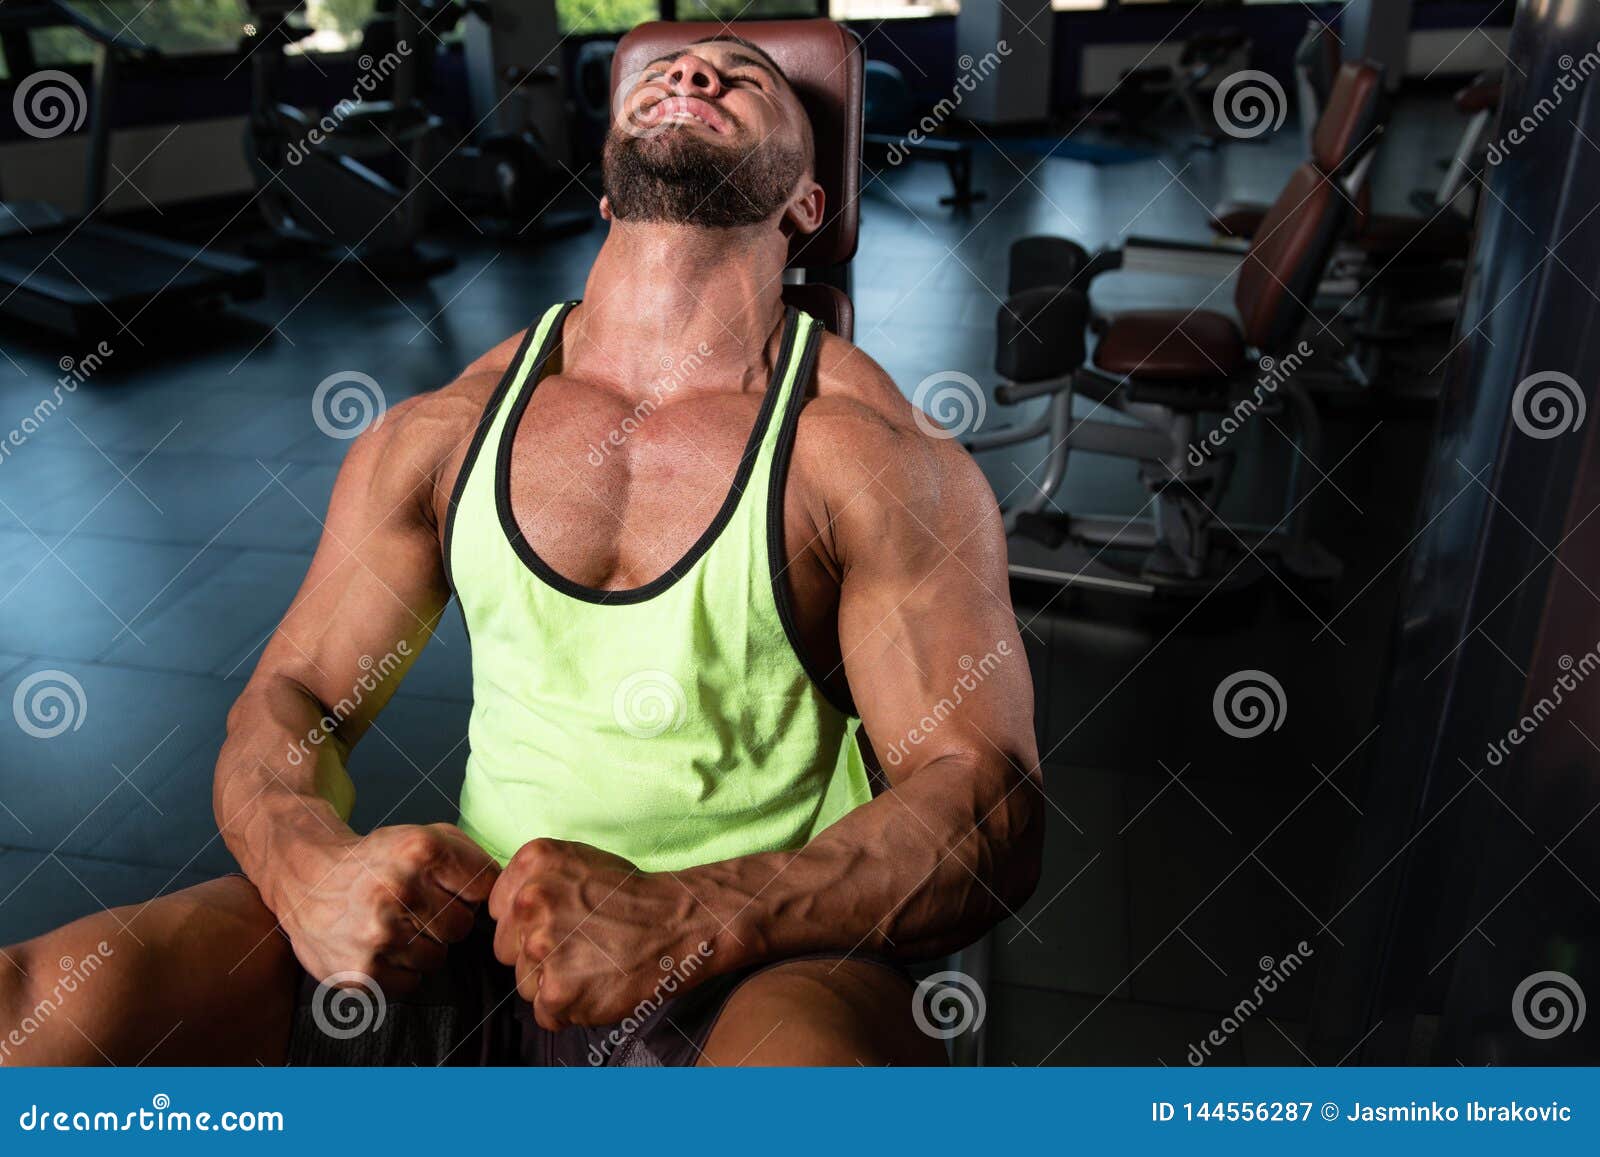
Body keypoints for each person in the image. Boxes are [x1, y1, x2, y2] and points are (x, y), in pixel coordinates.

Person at [0, 35, 1041, 1067]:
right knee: (32, 1006)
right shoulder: (441, 432)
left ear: (806, 204)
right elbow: (295, 694)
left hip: (763, 954)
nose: (694, 73)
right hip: (488, 935)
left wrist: (688, 913)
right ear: (603, 187)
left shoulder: (871, 453)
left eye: (747, 78)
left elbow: (985, 801)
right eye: (671, 72)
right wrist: (308, 861)